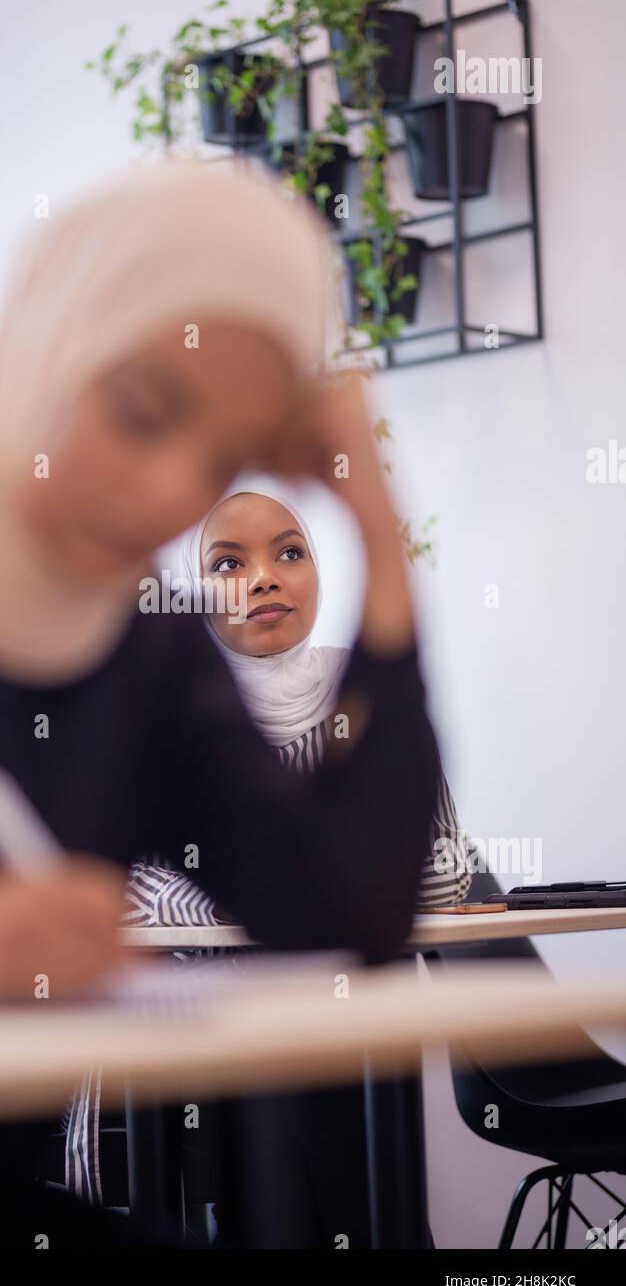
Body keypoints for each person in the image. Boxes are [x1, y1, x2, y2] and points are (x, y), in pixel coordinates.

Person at [0, 157, 439, 1248]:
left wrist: (376, 533)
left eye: (221, 458)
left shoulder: (144, 649)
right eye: (140, 412)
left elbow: (342, 909)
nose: (174, 493)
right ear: (49, 337)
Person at [67, 485, 470, 1219]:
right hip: (209, 1042)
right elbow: (122, 890)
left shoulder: (370, 697)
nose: (262, 577)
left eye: (290, 552)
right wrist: (329, 885)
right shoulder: (174, 716)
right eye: (227, 563)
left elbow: (448, 868)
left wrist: (304, 888)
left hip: (352, 1031)